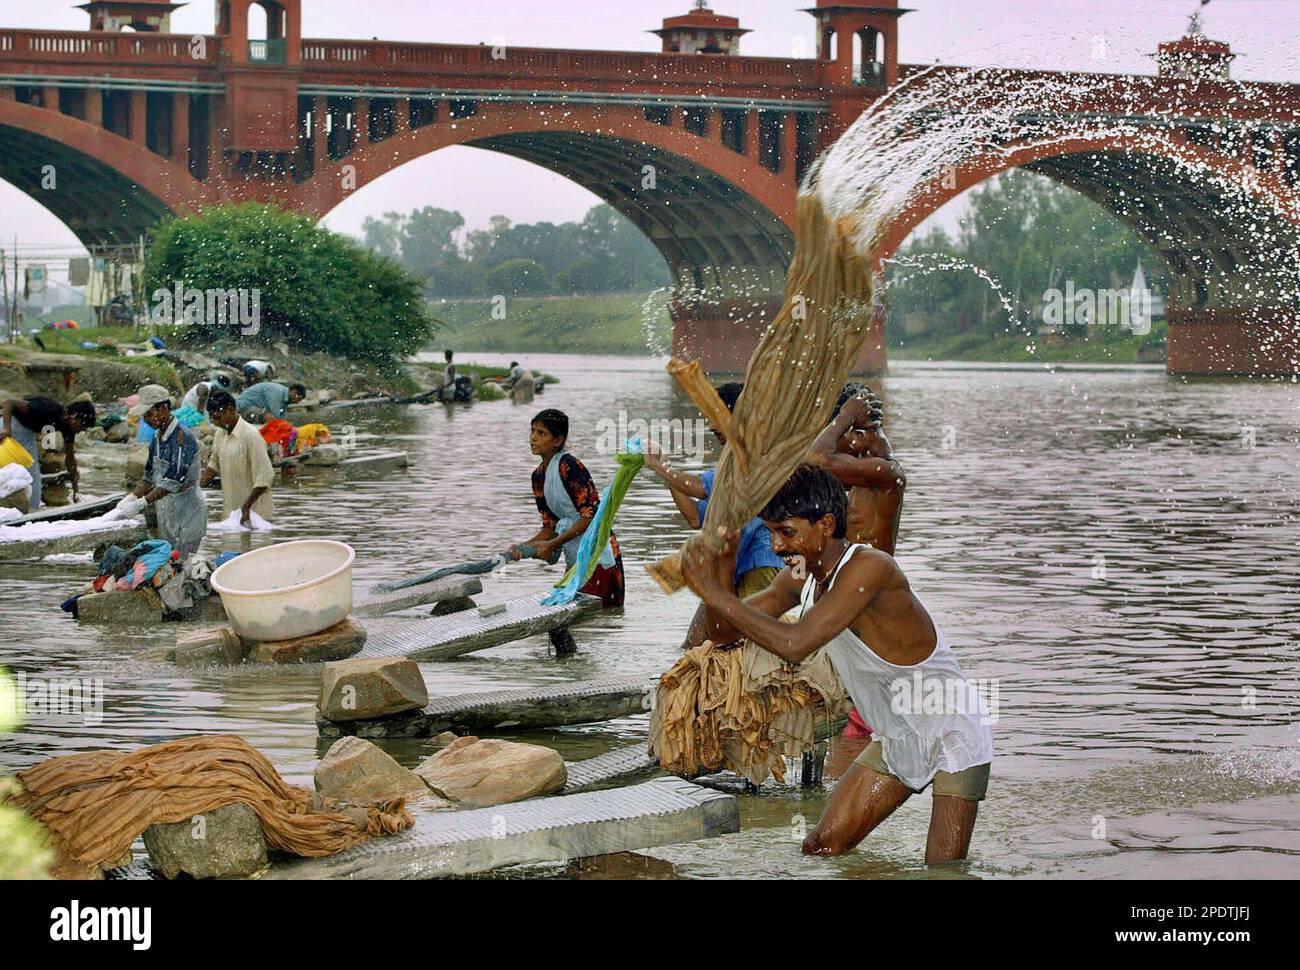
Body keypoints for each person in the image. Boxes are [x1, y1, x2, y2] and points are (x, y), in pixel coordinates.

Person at [680, 464, 993, 864]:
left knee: (941, 872)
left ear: (826, 524)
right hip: (898, 734)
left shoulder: (870, 569)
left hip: (951, 729)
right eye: (772, 531)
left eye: (787, 532)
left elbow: (796, 644)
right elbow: (722, 634)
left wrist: (716, 594)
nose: (776, 546)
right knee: (821, 848)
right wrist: (720, 572)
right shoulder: (802, 575)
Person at [642, 382, 784, 646]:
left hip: (760, 563)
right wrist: (665, 470)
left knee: (748, 642)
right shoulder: (730, 460)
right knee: (696, 642)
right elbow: (694, 517)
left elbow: (697, 488)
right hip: (730, 567)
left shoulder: (752, 455)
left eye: (714, 419)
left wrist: (661, 468)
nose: (710, 427)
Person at [511, 409, 624, 652]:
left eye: (541, 433)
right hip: (574, 553)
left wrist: (552, 545)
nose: (533, 438)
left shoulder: (569, 467)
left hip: (597, 551)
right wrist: (521, 548)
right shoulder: (538, 477)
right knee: (579, 616)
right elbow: (549, 527)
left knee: (601, 618)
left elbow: (590, 517)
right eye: (532, 431)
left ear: (558, 440)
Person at [808, 384, 906, 555]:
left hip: (871, 578)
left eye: (838, 436)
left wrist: (846, 415)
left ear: (856, 434)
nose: (834, 448)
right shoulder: (863, 472)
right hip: (854, 574)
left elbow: (814, 462)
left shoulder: (884, 471)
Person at [124, 385, 207, 557]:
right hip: (167, 512)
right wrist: (131, 497)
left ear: (164, 409)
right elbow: (148, 477)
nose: (146, 420)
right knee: (167, 562)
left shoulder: (182, 437)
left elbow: (173, 481)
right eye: (144, 416)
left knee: (182, 563)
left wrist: (142, 503)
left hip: (188, 512)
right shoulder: (157, 438)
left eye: (149, 414)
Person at [0, 396, 96, 508]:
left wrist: (76, 491)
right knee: (26, 472)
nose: (82, 431)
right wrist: (6, 429)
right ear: (74, 416)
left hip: (27, 432)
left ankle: (28, 508)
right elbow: (10, 402)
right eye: (83, 426)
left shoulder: (68, 427)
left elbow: (70, 459)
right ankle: (26, 509)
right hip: (12, 425)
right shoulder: (49, 409)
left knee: (32, 478)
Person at [200, 389, 274, 526]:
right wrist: (197, 487)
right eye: (212, 418)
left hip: (255, 516)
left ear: (230, 410)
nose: (215, 423)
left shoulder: (251, 435)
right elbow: (213, 465)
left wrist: (246, 507)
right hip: (231, 516)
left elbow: (265, 478)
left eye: (217, 418)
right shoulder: (220, 434)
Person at [235, 381, 305, 423]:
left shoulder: (285, 399)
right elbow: (275, 415)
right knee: (270, 418)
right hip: (244, 406)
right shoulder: (278, 392)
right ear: (294, 392)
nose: (296, 402)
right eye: (297, 399)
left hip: (255, 407)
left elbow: (281, 417)